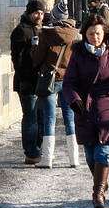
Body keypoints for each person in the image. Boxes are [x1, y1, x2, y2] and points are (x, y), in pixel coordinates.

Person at [61, 14, 109, 208]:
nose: (95, 37)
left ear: (104, 33)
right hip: (85, 110)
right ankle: (101, 181)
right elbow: (68, 83)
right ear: (84, 35)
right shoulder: (78, 55)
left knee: (102, 154)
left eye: (98, 33)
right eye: (90, 34)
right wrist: (75, 100)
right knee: (90, 156)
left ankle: (98, 194)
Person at [31, 14, 81, 166]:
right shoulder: (76, 35)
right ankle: (74, 159)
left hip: (50, 79)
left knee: (49, 119)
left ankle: (47, 159)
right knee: (70, 120)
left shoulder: (47, 35)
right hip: (69, 80)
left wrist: (34, 48)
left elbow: (36, 60)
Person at [10, 0, 51, 165]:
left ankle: (38, 149)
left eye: (41, 13)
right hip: (27, 81)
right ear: (29, 13)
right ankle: (31, 152)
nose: (39, 16)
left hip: (40, 80)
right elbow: (17, 59)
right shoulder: (21, 31)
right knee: (31, 117)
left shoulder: (42, 29)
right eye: (36, 13)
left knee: (40, 116)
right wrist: (24, 79)